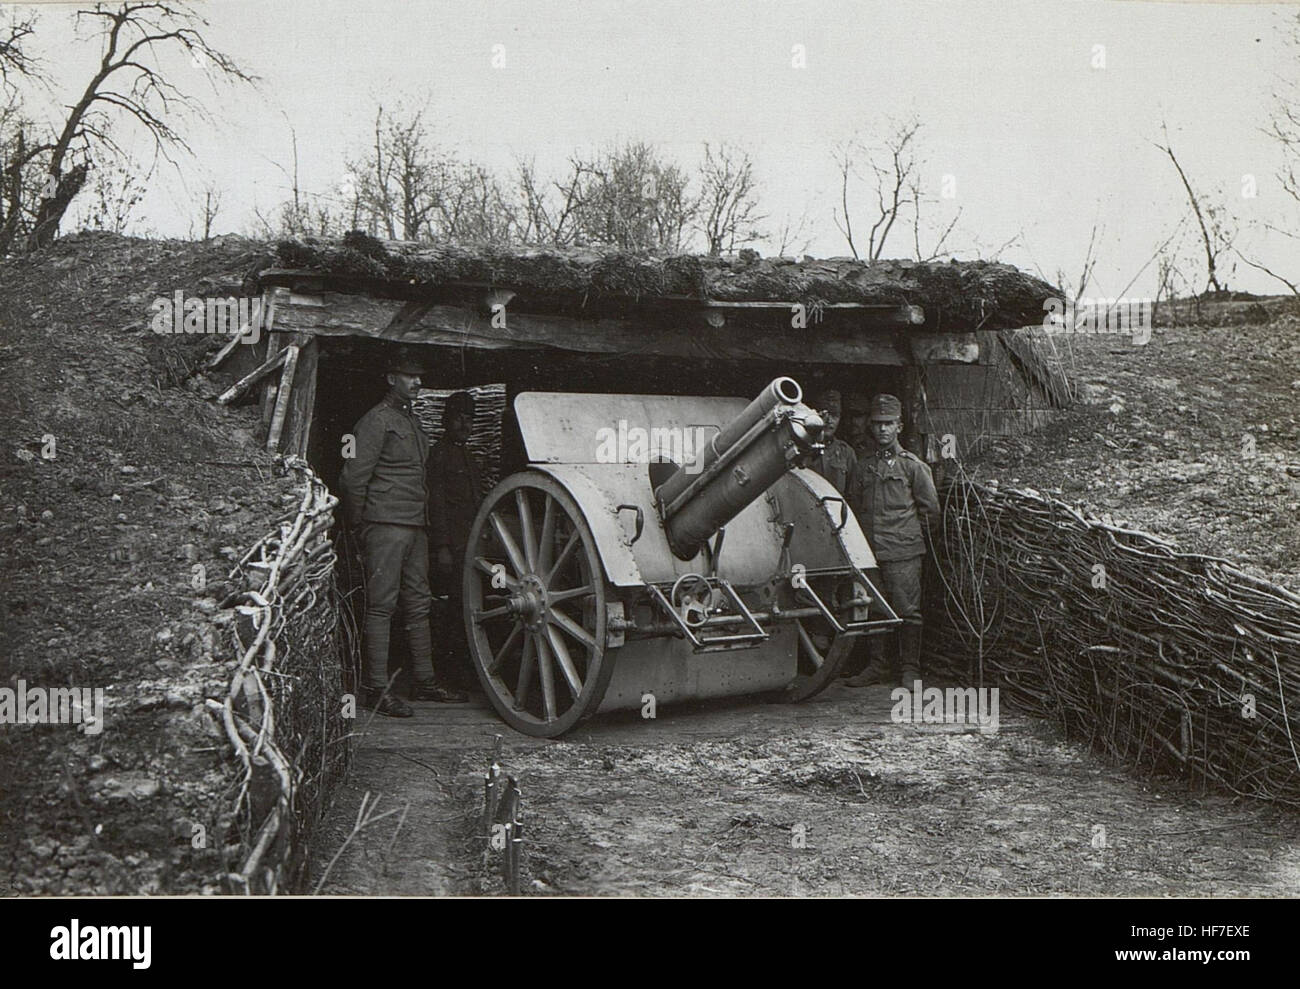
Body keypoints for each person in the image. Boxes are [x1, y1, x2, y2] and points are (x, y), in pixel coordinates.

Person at [339, 354, 467, 716]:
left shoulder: (409, 421)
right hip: (385, 525)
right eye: (409, 376)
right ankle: (376, 689)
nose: (417, 383)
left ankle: (424, 682)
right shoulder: (375, 422)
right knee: (381, 605)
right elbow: (353, 478)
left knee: (418, 604)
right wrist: (358, 524)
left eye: (419, 377)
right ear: (390, 378)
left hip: (414, 526)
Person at [844, 393, 940, 688]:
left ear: (899, 426)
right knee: (874, 608)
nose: (882, 429)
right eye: (877, 424)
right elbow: (853, 507)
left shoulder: (913, 467)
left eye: (888, 423)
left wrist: (907, 538)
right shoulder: (862, 466)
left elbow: (931, 512)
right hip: (870, 552)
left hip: (903, 553)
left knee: (907, 611)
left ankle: (910, 670)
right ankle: (877, 666)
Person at [428, 390, 484, 692]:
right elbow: (436, 503)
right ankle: (451, 675)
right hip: (453, 545)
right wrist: (442, 548)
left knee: (468, 606)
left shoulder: (468, 456)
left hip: (470, 544)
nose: (465, 425)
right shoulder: (439, 455)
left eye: (469, 420)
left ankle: (466, 672)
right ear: (447, 421)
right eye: (459, 419)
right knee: (453, 612)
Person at [810, 388, 858, 495]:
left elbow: (852, 494)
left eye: (835, 416)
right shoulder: (804, 448)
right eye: (825, 415)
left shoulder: (846, 453)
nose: (829, 421)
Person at [843, 392, 872, 458]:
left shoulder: (875, 448)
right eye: (847, 415)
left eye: (857, 415)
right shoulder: (838, 446)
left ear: (868, 419)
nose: (852, 421)